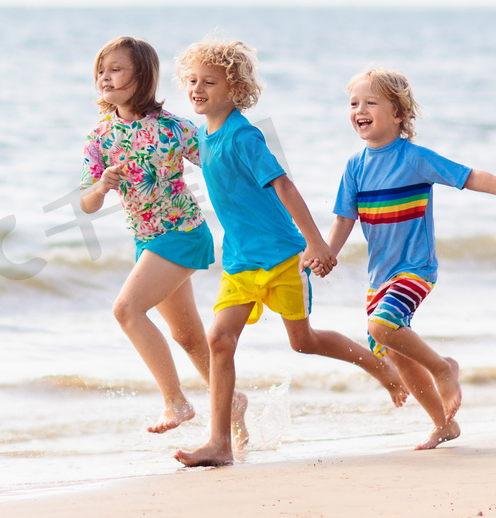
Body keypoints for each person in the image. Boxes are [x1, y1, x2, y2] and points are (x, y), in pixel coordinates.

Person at [172, 40, 407, 468]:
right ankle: (219, 442)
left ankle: (383, 370)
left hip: (281, 256)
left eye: (210, 81)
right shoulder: (204, 137)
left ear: (235, 89)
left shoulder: (244, 135)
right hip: (240, 260)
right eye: (191, 81)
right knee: (219, 340)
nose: (198, 88)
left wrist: (316, 242)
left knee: (305, 342)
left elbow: (284, 186)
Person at [327, 68, 496, 450]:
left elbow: (470, 177)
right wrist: (325, 255)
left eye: (371, 102)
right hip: (378, 276)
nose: (360, 110)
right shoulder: (354, 167)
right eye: (354, 103)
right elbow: (343, 220)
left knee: (381, 326)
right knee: (398, 356)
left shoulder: (415, 158)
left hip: (415, 269)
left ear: (399, 114)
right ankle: (443, 424)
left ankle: (442, 368)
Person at [80, 36, 247, 440]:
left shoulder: (172, 129)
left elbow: (221, 162)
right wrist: (101, 187)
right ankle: (234, 406)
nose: (106, 75)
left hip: (182, 233)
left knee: (126, 310)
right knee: (187, 337)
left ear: (142, 76)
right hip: (146, 239)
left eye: (116, 68)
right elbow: (86, 204)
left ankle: (176, 401)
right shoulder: (100, 136)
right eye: (102, 69)